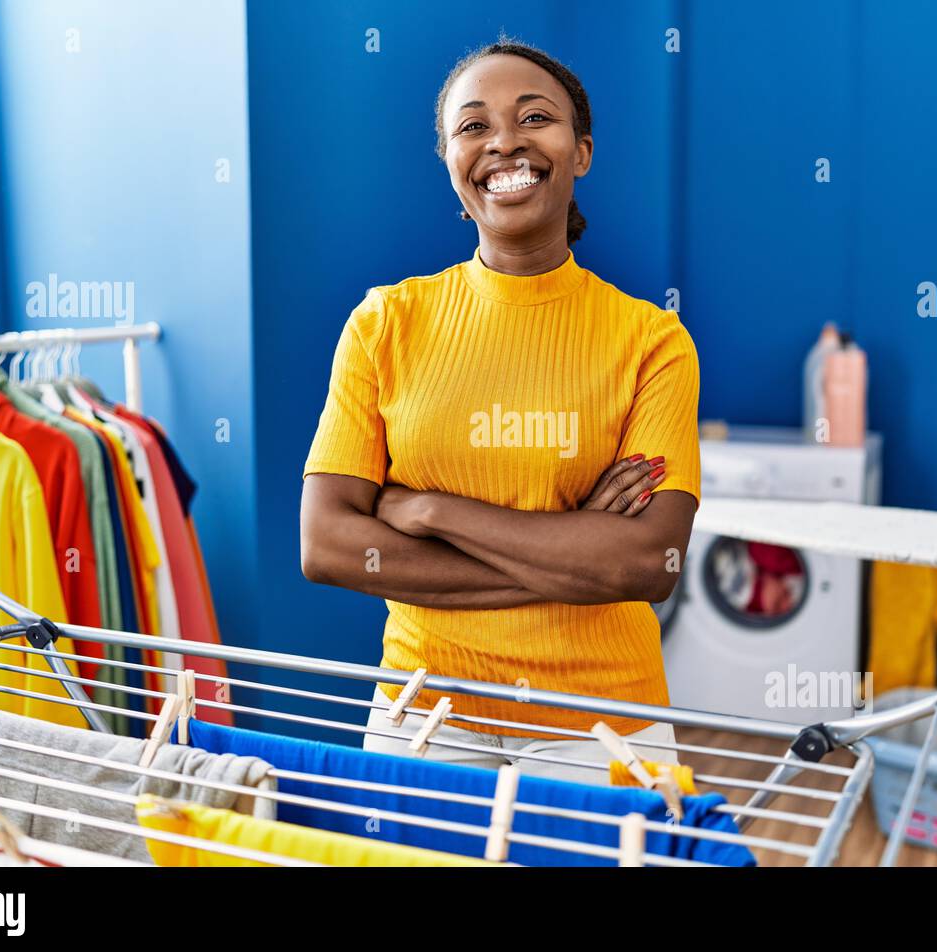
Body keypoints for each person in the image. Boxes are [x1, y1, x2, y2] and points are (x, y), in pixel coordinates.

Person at [300, 38, 701, 785]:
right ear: (449, 161)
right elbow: (325, 545)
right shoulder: (384, 323)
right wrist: (580, 554)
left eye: (535, 118)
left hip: (605, 728)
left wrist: (426, 513)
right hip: (423, 717)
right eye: (473, 126)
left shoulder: (653, 340)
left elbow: (650, 562)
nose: (504, 142)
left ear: (580, 152)